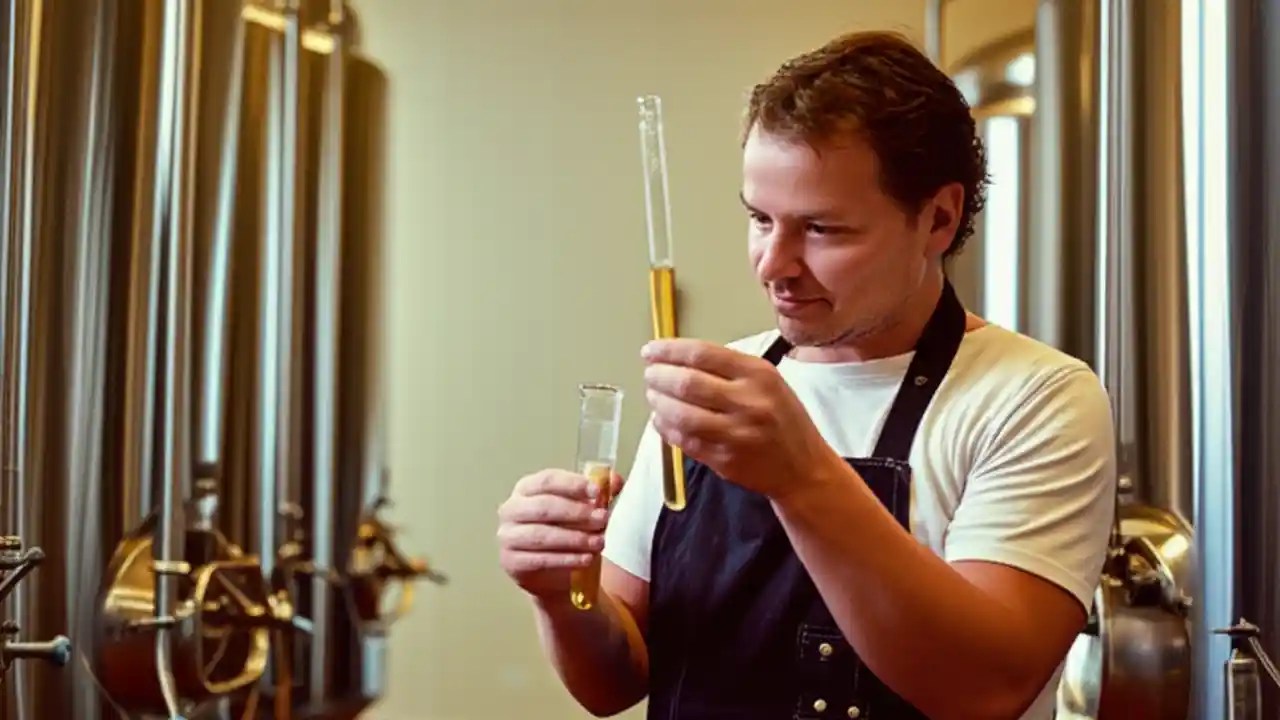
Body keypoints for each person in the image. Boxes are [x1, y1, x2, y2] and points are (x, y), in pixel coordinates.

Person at [496, 29, 1116, 720]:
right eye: (760, 219)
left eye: (822, 229)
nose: (773, 265)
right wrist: (563, 597)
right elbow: (615, 684)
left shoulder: (1033, 398)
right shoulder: (714, 394)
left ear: (938, 219)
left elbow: (985, 689)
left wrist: (801, 475)